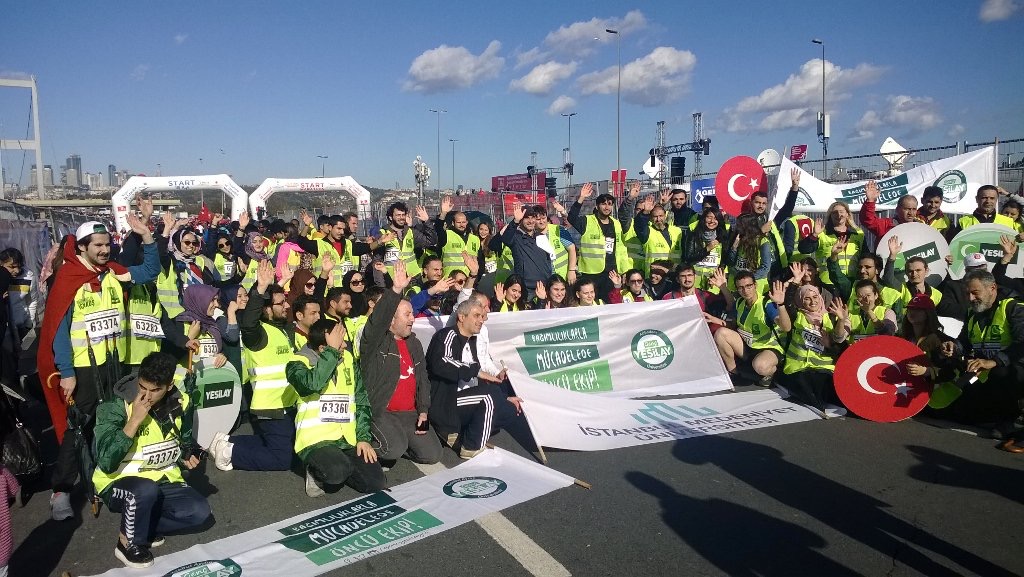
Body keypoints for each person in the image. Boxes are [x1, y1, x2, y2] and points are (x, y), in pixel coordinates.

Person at [39, 216, 160, 521]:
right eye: (99, 245)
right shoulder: (68, 278)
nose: (106, 250)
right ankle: (62, 491)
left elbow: (149, 271)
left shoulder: (112, 273)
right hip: (82, 369)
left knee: (113, 419)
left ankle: (108, 473)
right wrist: (66, 372)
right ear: (82, 247)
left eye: (108, 244)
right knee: (77, 429)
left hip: (113, 364)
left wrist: (146, 235)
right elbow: (58, 332)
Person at [91, 352, 210, 569]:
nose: (147, 396)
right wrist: (134, 420)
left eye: (155, 390)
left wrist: (189, 453)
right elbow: (106, 461)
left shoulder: (182, 402)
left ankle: (143, 525)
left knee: (200, 512)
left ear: (169, 386)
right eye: (143, 387)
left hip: (163, 479)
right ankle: (126, 543)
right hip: (118, 482)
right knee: (144, 490)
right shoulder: (115, 406)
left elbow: (184, 441)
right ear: (138, 380)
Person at [208, 260, 298, 472]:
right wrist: (259, 290)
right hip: (270, 406)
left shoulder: (282, 329)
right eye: (280, 303)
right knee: (281, 460)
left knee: (287, 448)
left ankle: (227, 442)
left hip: (286, 403)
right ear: (266, 310)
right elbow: (248, 322)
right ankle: (232, 452)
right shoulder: (257, 334)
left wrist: (282, 281)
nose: (286, 306)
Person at [287, 318, 384, 497]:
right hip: (316, 440)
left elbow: (361, 399)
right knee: (336, 471)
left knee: (375, 482)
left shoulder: (346, 358)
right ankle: (315, 470)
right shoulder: (296, 363)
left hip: (346, 437)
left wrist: (363, 438)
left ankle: (342, 466)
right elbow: (313, 383)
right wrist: (331, 351)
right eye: (340, 343)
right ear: (323, 348)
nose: (345, 345)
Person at [359, 261, 442, 467]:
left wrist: (423, 410)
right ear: (391, 320)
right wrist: (395, 290)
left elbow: (422, 378)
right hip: (382, 411)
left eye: (412, 314)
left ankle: (401, 443)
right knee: (391, 449)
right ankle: (356, 449)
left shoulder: (413, 343)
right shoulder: (375, 341)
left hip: (409, 413)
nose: (413, 319)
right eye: (407, 315)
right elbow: (376, 321)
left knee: (433, 455)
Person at [426, 298, 521, 459]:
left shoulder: (472, 341)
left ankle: (467, 433)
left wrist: (504, 398)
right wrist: (475, 371)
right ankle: (470, 447)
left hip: (467, 399)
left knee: (511, 409)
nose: (481, 320)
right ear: (462, 317)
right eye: (476, 316)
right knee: (489, 395)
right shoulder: (447, 335)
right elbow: (442, 362)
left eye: (482, 317)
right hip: (445, 405)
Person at [941, 270, 1024, 448]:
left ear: (992, 288)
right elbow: (965, 341)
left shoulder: (1014, 307)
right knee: (955, 413)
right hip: (980, 375)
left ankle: (1007, 419)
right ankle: (989, 414)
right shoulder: (973, 312)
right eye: (967, 293)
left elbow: (1022, 344)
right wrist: (953, 347)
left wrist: (995, 361)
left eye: (975, 293)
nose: (970, 298)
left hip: (1010, 373)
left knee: (1002, 371)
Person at [779, 286, 849, 412]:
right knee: (803, 380)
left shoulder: (831, 317)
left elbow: (839, 342)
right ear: (801, 301)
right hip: (798, 367)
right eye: (807, 298)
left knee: (824, 383)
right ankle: (816, 402)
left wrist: (841, 321)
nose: (813, 301)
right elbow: (788, 301)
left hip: (824, 369)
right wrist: (795, 283)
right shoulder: (797, 316)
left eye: (815, 297)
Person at [714, 274, 789, 387]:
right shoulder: (740, 303)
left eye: (749, 286)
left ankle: (772, 372)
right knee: (721, 333)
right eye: (741, 287)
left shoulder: (766, 304)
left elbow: (786, 327)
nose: (745, 290)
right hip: (749, 346)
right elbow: (731, 325)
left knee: (761, 366)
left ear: (755, 285)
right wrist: (713, 319)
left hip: (769, 348)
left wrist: (781, 305)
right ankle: (733, 373)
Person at [567, 182, 633, 302]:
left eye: (609, 204)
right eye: (603, 204)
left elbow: (621, 249)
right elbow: (571, 217)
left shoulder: (616, 224)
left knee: (611, 302)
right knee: (591, 303)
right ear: (597, 206)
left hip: (611, 272)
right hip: (591, 272)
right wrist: (581, 198)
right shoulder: (587, 221)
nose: (607, 207)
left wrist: (624, 271)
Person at [498, 203, 554, 300]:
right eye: (527, 218)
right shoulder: (516, 237)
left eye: (533, 218)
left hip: (544, 286)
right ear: (521, 220)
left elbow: (548, 260)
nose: (531, 221)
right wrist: (515, 221)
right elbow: (506, 239)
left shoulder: (541, 236)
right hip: (526, 289)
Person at [376, 202, 437, 280]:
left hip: (413, 277)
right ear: (390, 217)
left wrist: (426, 221)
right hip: (392, 279)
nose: (401, 217)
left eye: (403, 215)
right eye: (398, 215)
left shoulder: (410, 231)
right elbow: (377, 261)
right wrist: (382, 284)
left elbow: (431, 240)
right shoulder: (382, 233)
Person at [663, 265, 732, 334]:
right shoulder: (669, 298)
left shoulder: (705, 296)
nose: (687, 279)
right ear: (677, 279)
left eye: (690, 275)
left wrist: (723, 287)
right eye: (683, 276)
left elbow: (731, 306)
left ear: (695, 277)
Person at [812, 201, 864, 288]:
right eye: (834, 213)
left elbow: (864, 255)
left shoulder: (858, 233)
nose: (838, 215)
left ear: (847, 214)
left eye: (841, 211)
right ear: (830, 215)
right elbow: (805, 249)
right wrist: (814, 235)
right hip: (828, 282)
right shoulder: (822, 233)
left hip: (853, 281)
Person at [632, 195, 683, 276]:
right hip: (654, 276)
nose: (658, 219)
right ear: (651, 218)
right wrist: (645, 212)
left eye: (661, 216)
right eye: (655, 217)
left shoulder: (677, 231)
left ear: (665, 215)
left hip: (673, 274)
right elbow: (639, 225)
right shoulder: (648, 232)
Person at [683, 207, 729, 293]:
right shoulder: (694, 235)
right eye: (709, 217)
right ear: (704, 219)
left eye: (716, 218)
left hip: (713, 283)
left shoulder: (722, 237)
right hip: (695, 282)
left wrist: (715, 276)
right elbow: (688, 257)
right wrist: (707, 249)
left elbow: (724, 260)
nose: (712, 221)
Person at [435, 196, 482, 278]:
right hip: (450, 280)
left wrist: (477, 279)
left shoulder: (475, 239)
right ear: (453, 223)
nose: (461, 225)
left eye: (463, 222)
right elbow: (438, 228)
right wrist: (443, 213)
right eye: (458, 222)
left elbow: (481, 261)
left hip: (469, 279)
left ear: (467, 222)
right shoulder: (447, 235)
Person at [727, 214, 772, 292]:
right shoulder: (738, 238)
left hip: (754, 286)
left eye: (740, 225)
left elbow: (765, 267)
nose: (738, 228)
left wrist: (748, 280)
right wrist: (734, 248)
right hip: (736, 286)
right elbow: (730, 263)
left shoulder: (762, 241)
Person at [536, 203, 578, 284]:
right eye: (538, 219)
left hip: (564, 277)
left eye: (543, 218)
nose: (541, 221)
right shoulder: (532, 236)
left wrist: (571, 270)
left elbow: (572, 248)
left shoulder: (558, 230)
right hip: (545, 279)